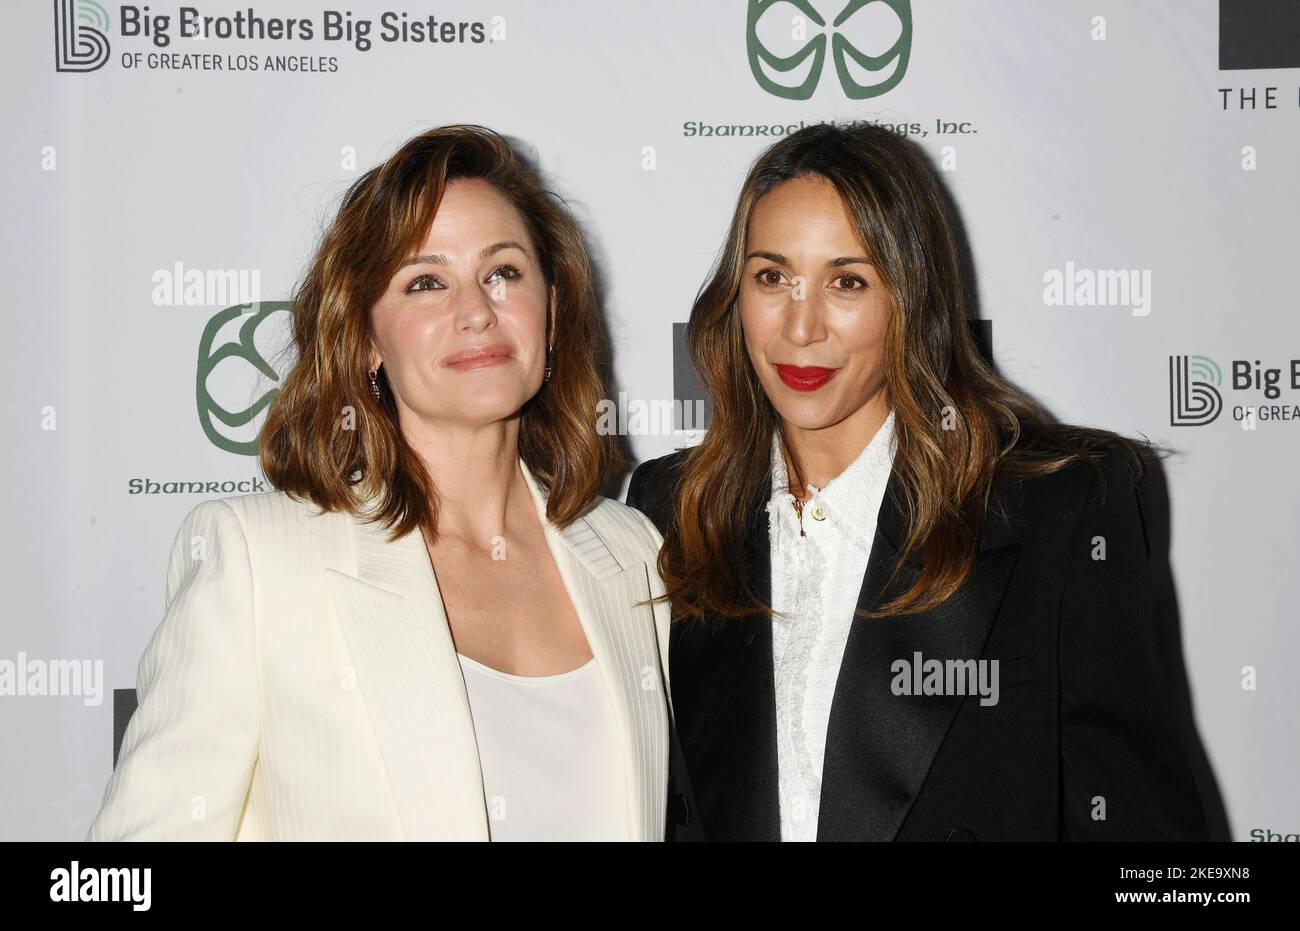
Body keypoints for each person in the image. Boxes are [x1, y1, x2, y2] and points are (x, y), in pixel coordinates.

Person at [626, 121, 1208, 842]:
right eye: (772, 277)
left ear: (912, 298)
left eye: (848, 281)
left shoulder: (1058, 508)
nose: (800, 327)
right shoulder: (674, 508)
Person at [88, 124, 671, 841]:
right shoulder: (259, 560)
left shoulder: (632, 555)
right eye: (426, 281)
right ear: (364, 337)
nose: (477, 310)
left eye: (504, 272)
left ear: (551, 312)